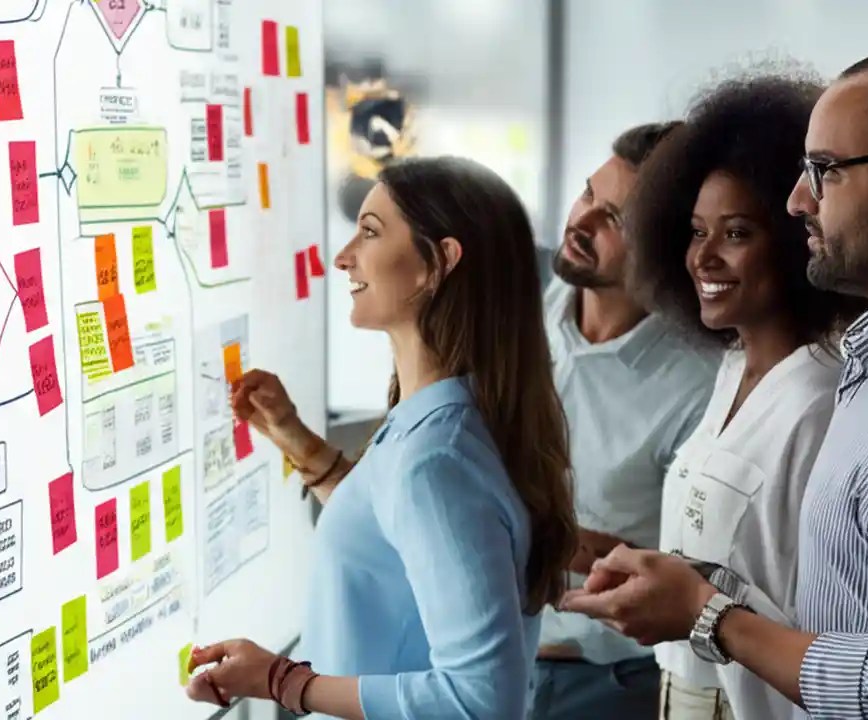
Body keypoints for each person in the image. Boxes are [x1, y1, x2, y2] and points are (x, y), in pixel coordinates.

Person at [561, 42, 868, 719]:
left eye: (825, 171)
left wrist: (709, 614)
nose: (797, 200)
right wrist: (690, 585)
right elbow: (830, 601)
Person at [183, 156, 580, 719]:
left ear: (438, 262)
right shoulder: (446, 420)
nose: (344, 257)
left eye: (369, 232)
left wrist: (281, 680)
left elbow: (481, 701)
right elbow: (387, 536)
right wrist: (293, 437)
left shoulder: (437, 458)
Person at [624, 72, 868, 719]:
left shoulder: (819, 399)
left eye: (735, 234)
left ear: (791, 244)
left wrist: (698, 606)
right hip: (679, 692)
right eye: (696, 231)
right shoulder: (733, 367)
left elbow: (822, 615)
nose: (703, 257)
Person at [532, 123, 721, 720]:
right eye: (588, 193)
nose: (581, 221)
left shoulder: (701, 386)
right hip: (480, 654)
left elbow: (692, 579)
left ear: (667, 250)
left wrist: (537, 536)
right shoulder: (527, 309)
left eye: (614, 219)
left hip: (602, 688)